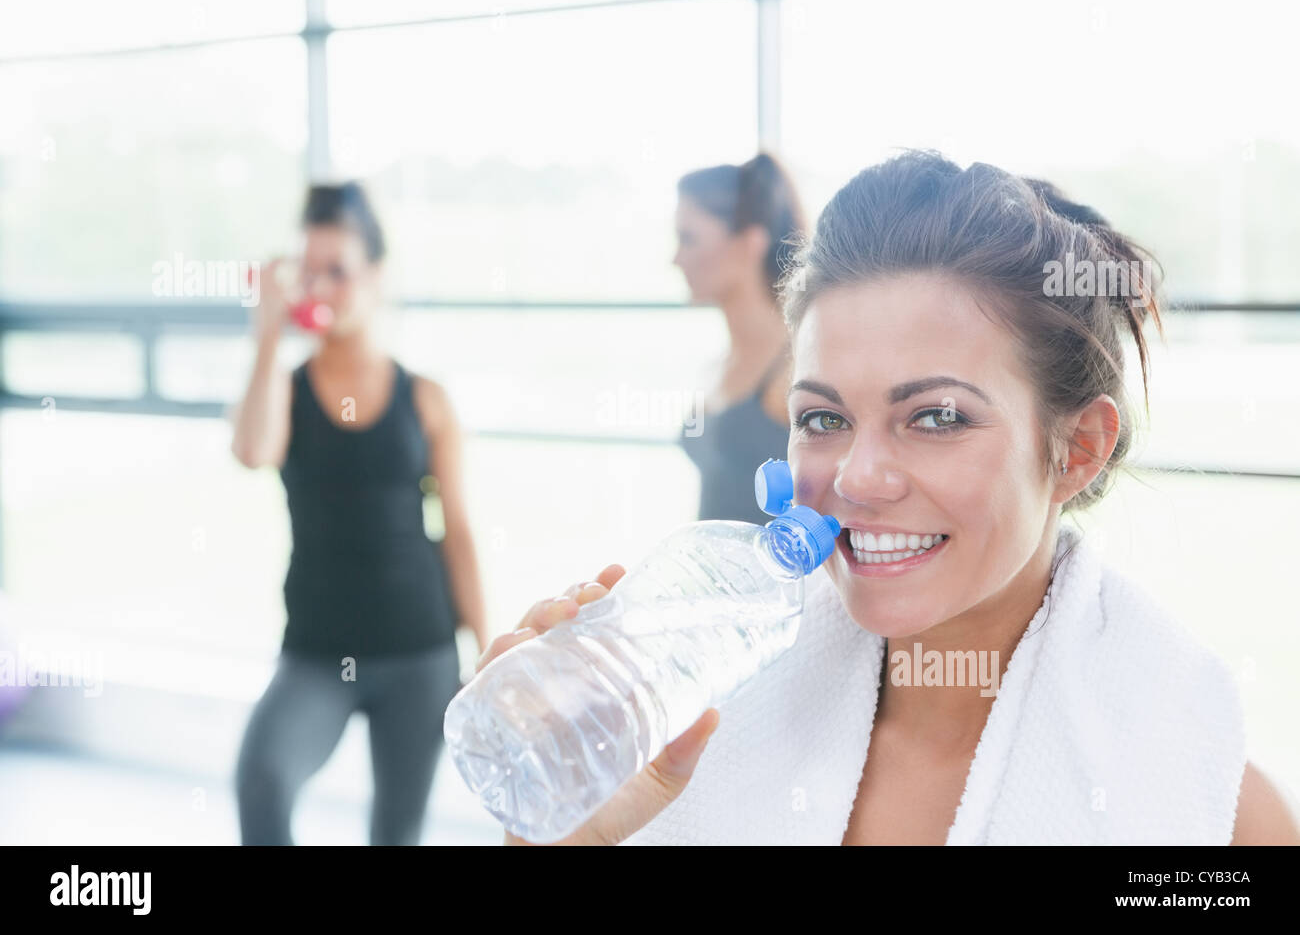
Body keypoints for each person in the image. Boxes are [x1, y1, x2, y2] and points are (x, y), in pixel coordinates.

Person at [477, 150, 1300, 845]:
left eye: (937, 417)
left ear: (1077, 448)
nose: (858, 478)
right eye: (824, 416)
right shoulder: (684, 739)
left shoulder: (1209, 815)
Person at [228, 181, 488, 845]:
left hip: (419, 651)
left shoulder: (425, 397)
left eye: (336, 271)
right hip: (317, 652)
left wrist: (485, 652)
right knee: (261, 776)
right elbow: (253, 450)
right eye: (306, 271)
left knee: (395, 834)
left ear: (374, 276)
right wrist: (265, 336)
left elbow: (455, 531)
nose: (319, 287)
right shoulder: (285, 391)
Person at [674, 152, 805, 524]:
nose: (676, 258)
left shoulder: (795, 368)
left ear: (749, 243)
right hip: (713, 579)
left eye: (689, 238)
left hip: (774, 580)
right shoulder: (719, 362)